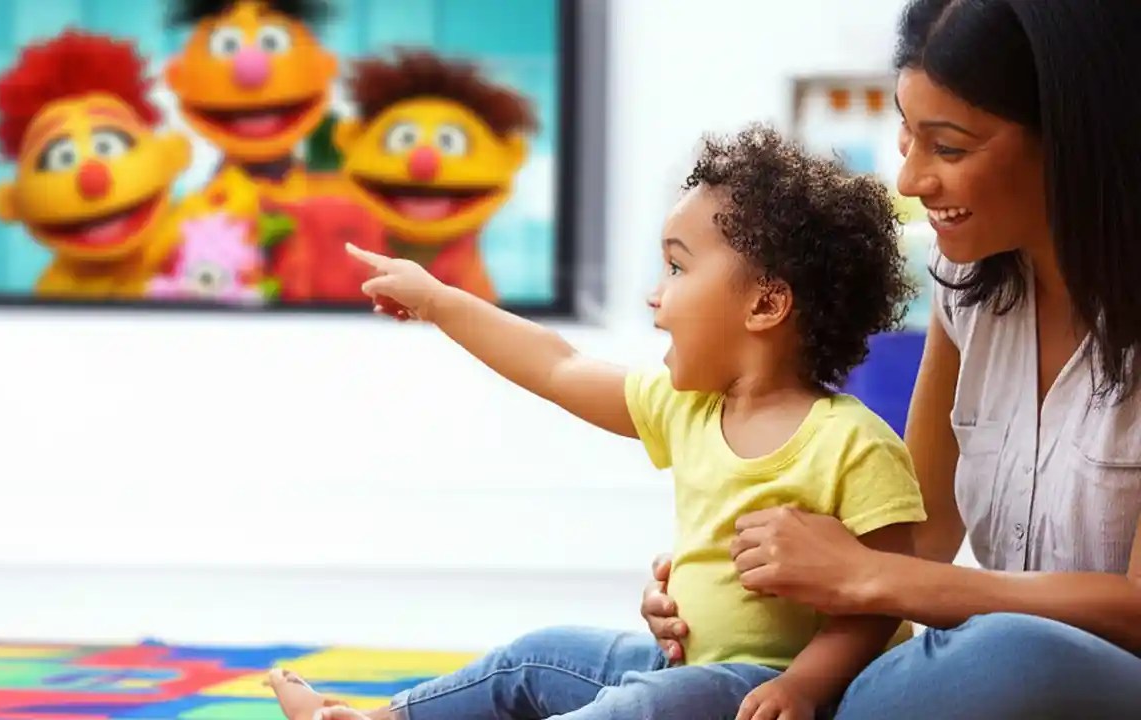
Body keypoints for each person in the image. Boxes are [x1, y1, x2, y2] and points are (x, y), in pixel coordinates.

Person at [266, 125, 926, 719]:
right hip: (682, 672)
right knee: (538, 657)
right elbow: (558, 366)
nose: (654, 294)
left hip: (768, 691)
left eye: (677, 266)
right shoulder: (686, 407)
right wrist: (441, 302)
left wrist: (803, 687)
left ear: (765, 303)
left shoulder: (856, 445)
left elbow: (882, 600)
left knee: (645, 704)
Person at [634, 1, 1141, 717]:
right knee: (671, 671)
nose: (909, 180)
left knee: (1009, 652)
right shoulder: (967, 291)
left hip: (1073, 679)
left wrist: (873, 579)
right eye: (907, 134)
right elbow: (919, 536)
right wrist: (733, 585)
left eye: (950, 147)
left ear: (1076, 140)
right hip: (987, 679)